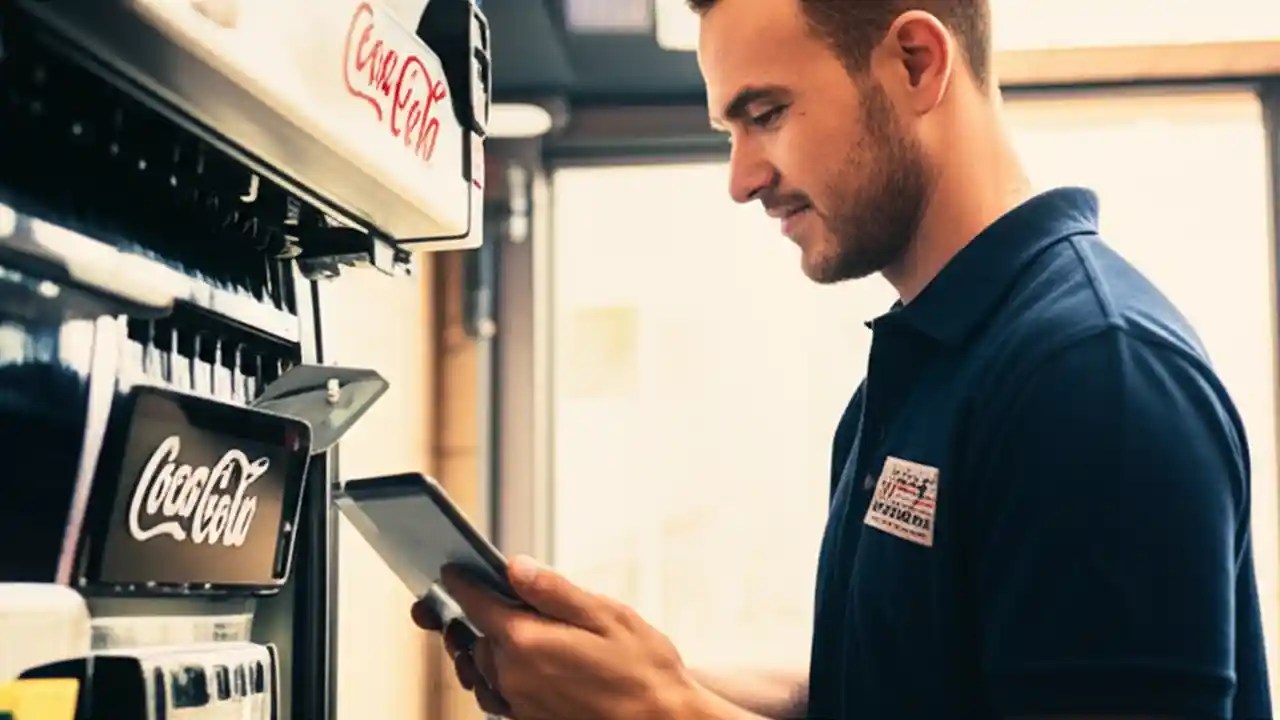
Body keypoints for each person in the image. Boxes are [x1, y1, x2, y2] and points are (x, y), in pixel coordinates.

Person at [412, 0, 1274, 717]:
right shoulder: (922, 366)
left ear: (914, 61)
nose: (741, 178)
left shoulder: (1093, 374)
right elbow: (891, 691)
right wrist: (633, 672)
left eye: (767, 114)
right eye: (730, 129)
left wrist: (662, 710)